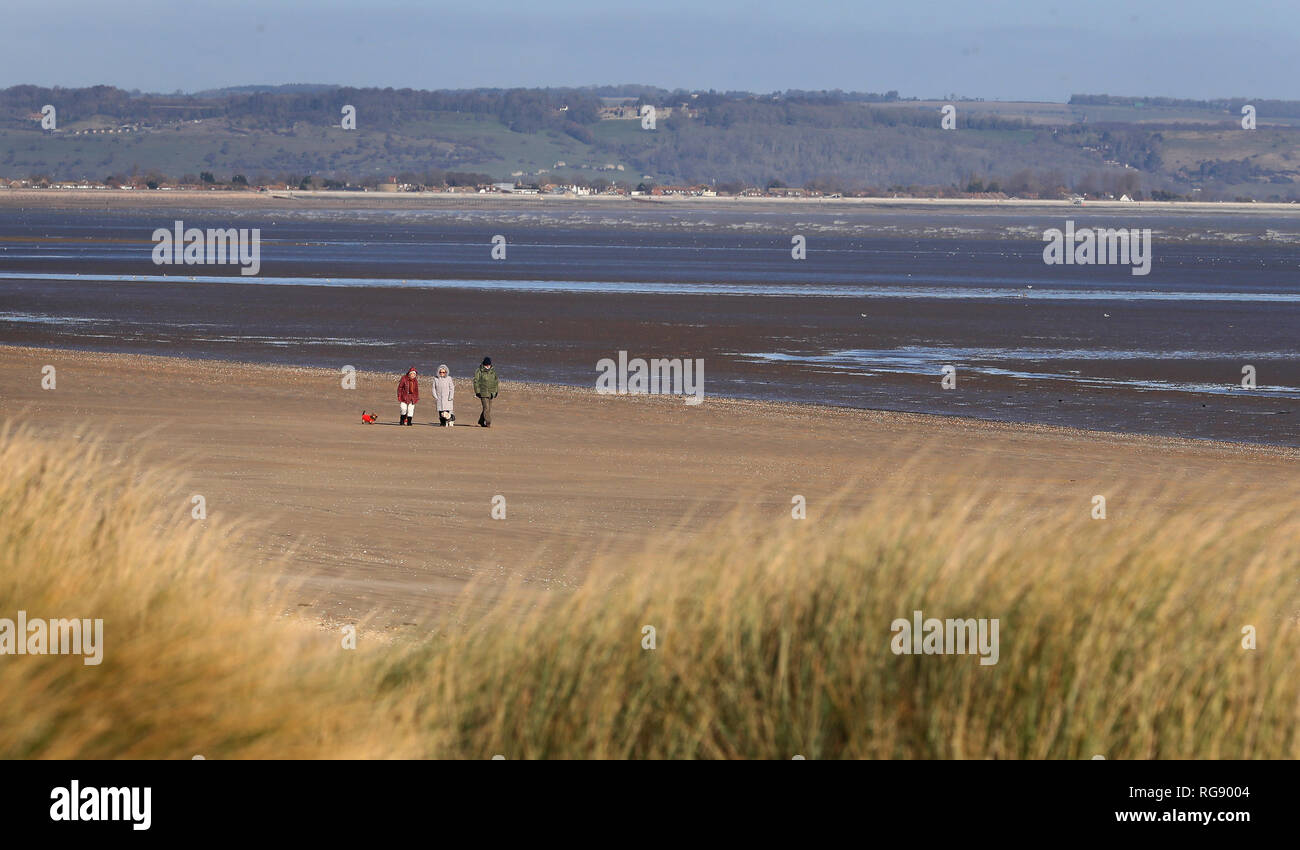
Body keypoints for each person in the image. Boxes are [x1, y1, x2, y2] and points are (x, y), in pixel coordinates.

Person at [473, 357, 498, 427]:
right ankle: (488, 422)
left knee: (488, 409)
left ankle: (481, 421)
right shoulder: (479, 371)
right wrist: (477, 392)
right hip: (483, 393)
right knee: (486, 408)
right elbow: (476, 381)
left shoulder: (493, 371)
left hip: (491, 393)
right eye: (486, 365)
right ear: (484, 364)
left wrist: (496, 391)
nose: (488, 366)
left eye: (489, 365)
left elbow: (496, 382)